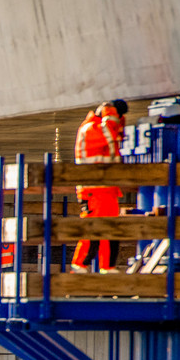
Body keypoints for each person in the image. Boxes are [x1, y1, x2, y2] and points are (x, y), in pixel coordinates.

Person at [72, 100, 127, 273]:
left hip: (105, 189)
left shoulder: (98, 127)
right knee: (93, 231)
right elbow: (109, 134)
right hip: (95, 190)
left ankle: (107, 267)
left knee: (109, 231)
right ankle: (80, 266)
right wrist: (110, 113)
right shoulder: (91, 129)